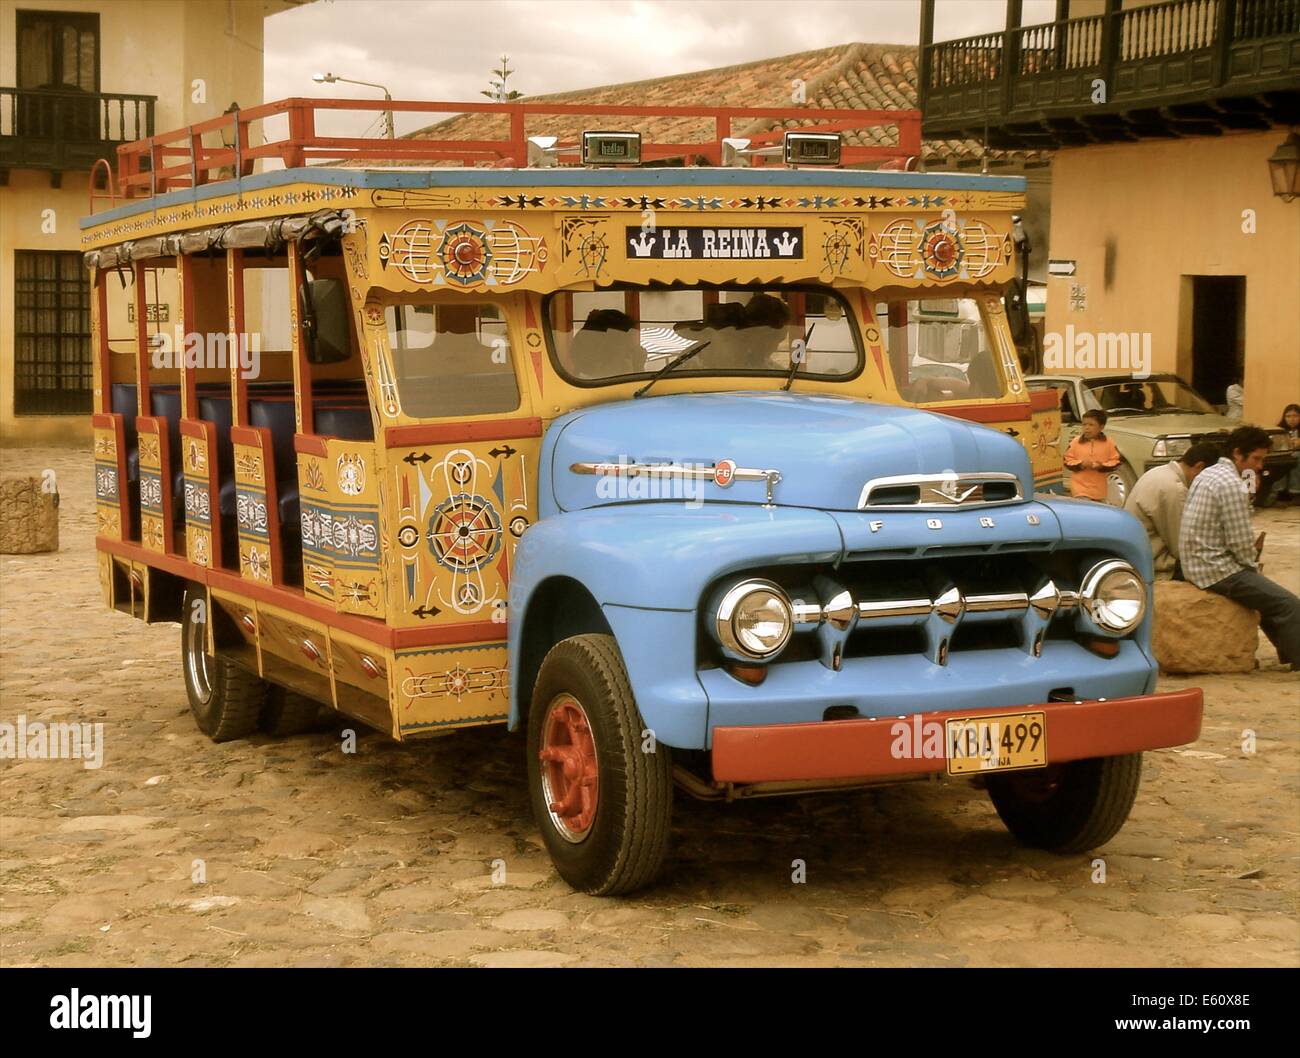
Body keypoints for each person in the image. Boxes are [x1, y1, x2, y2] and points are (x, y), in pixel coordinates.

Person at [1180, 424, 1300, 670]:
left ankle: (1291, 654)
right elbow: (1240, 544)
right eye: (1256, 459)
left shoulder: (1208, 473)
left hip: (1197, 562)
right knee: (1288, 603)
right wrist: (1253, 568)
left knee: (1269, 597)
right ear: (1237, 453)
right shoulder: (1232, 484)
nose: (1259, 466)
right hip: (1215, 569)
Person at [1123, 442, 1220, 579]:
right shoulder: (1175, 489)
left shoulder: (1160, 471)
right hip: (1153, 564)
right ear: (1199, 467)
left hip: (1136, 553)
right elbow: (1182, 549)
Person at [1064, 409, 1122, 501]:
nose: (1087, 428)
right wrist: (1081, 464)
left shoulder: (1109, 443)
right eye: (1084, 424)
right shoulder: (1076, 442)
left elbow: (1116, 461)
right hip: (1080, 489)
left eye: (1091, 425)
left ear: (1101, 427)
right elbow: (1067, 460)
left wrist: (1101, 466)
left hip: (1100, 490)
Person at [1265, 403, 1300, 505]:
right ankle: (1278, 491)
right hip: (1284, 454)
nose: (1291, 419)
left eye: (1295, 416)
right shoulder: (1279, 430)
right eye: (1288, 416)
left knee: (1296, 457)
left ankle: (1296, 492)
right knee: (1280, 461)